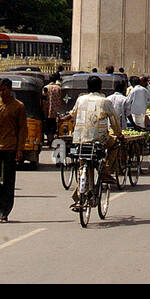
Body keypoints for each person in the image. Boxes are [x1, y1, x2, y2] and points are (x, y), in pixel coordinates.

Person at [64, 74, 122, 209]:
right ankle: (106, 171)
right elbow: (114, 121)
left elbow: (73, 114)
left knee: (82, 165)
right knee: (115, 145)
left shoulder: (80, 99)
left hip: (80, 139)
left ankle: (79, 197)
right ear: (100, 87)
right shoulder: (105, 101)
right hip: (99, 139)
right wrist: (119, 134)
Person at [0, 77, 27, 222]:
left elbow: (22, 129)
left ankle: (4, 212)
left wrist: (20, 149)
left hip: (11, 147)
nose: (1, 92)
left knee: (9, 180)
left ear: (10, 89)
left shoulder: (18, 106)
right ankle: (5, 200)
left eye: (3, 90)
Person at [42, 73, 63, 145]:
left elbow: (43, 99)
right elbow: (61, 99)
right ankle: (53, 139)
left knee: (48, 125)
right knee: (54, 125)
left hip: (47, 111)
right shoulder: (59, 88)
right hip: (56, 111)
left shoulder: (46, 88)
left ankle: (49, 139)